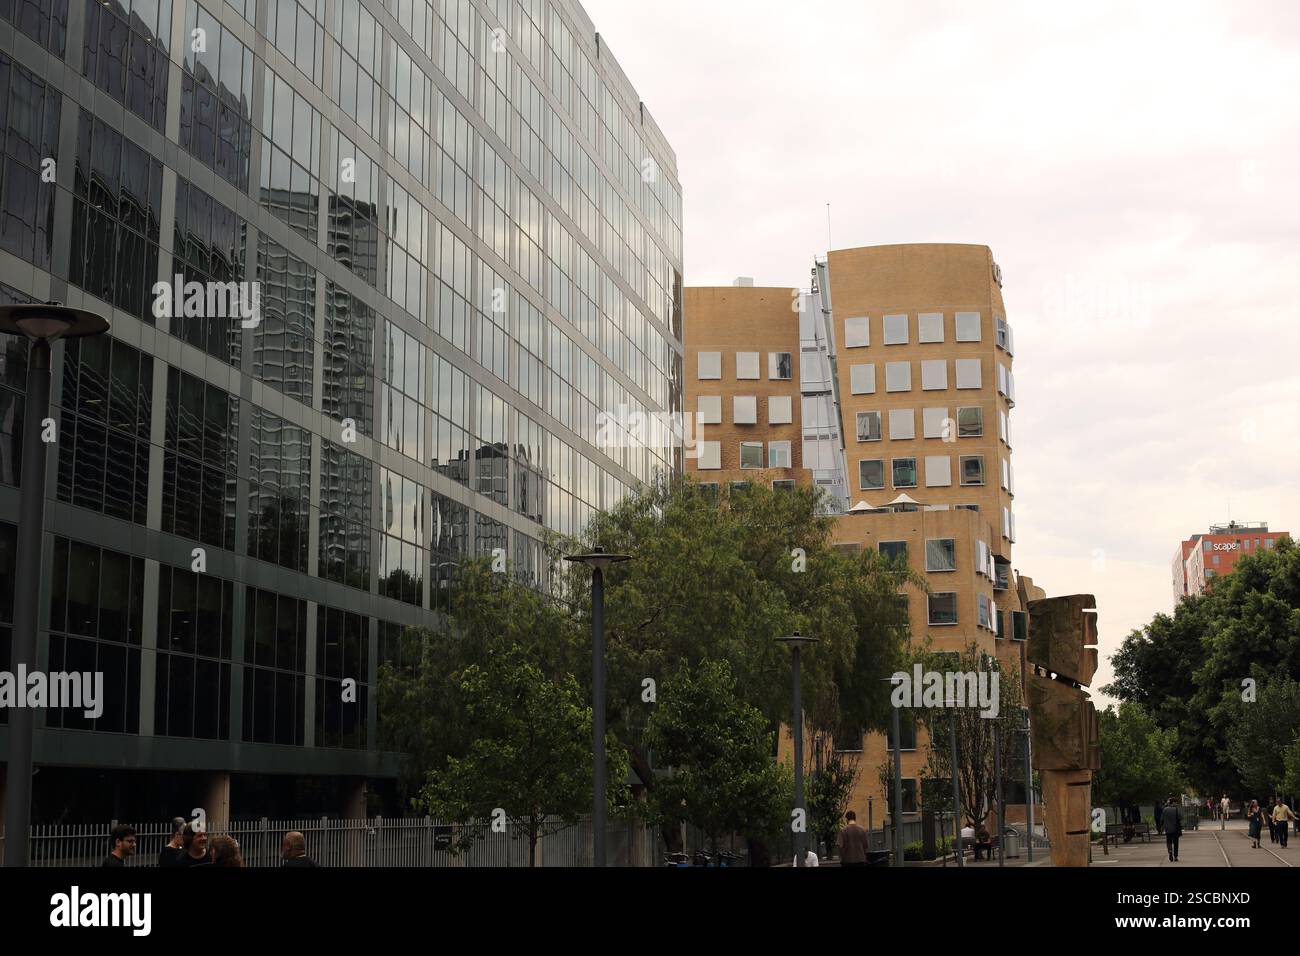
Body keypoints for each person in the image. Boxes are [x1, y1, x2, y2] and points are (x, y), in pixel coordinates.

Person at [1161, 797, 1182, 862]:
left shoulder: (1164, 810)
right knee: (1176, 842)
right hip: (1175, 828)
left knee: (1169, 841)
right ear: (1173, 802)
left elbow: (1161, 819)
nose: (1176, 804)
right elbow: (1180, 817)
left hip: (1167, 829)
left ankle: (1170, 851)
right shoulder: (1176, 809)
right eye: (1176, 802)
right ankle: (1175, 856)